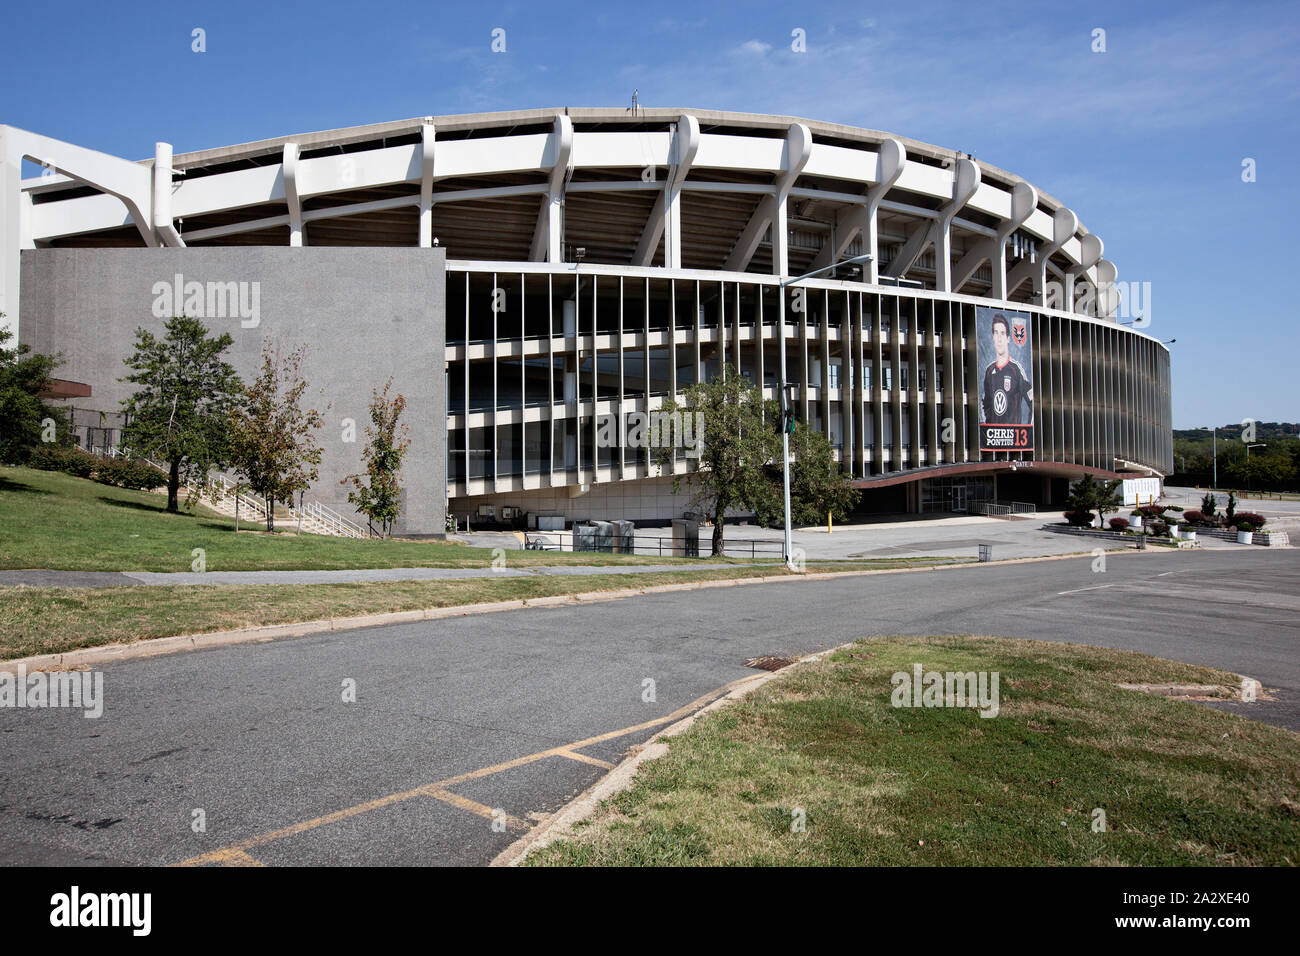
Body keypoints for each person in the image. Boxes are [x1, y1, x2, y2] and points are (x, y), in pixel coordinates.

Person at [981, 312, 1033, 424]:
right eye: (996, 333)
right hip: (994, 439)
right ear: (993, 337)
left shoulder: (1016, 370)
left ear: (1008, 338)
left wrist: (1027, 429)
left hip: (1013, 438)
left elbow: (1032, 400)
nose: (999, 338)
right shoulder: (989, 371)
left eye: (1002, 333)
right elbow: (984, 404)